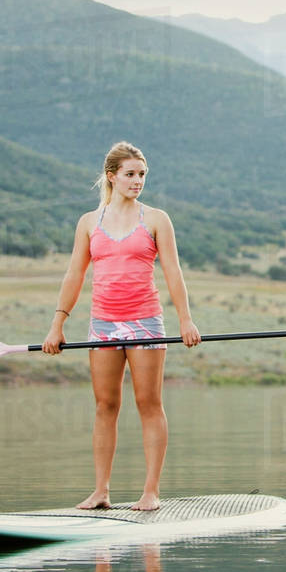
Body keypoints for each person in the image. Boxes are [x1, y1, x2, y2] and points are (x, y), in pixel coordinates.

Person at [43, 141, 201, 511]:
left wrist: (185, 319)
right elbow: (74, 274)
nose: (137, 181)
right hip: (103, 326)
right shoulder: (88, 223)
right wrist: (57, 324)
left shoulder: (156, 219)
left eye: (142, 174)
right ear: (111, 177)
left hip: (145, 323)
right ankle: (101, 492)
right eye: (130, 174)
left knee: (148, 403)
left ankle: (150, 493)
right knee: (105, 406)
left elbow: (173, 272)